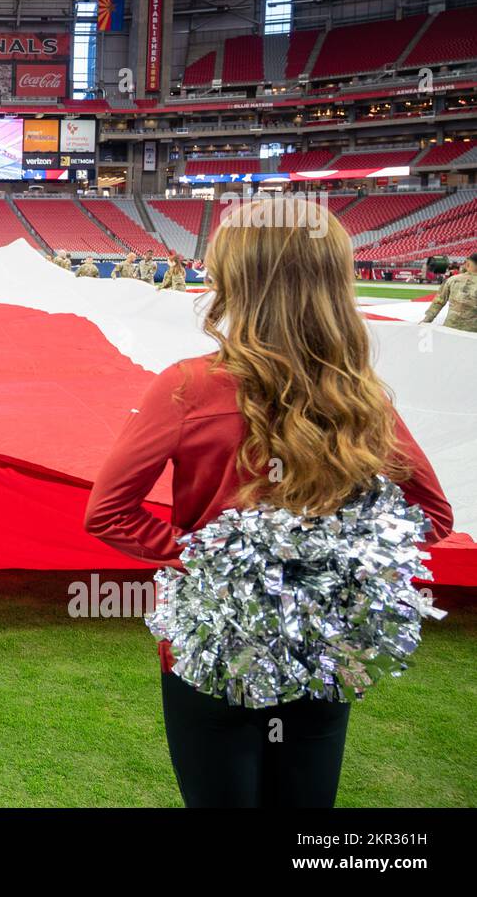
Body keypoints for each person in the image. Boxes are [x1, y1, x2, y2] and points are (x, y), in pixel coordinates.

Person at [83, 200, 453, 808]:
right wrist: (327, 568)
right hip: (324, 647)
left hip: (212, 646)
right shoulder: (361, 397)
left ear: (236, 283)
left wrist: (207, 558)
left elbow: (109, 513)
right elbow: (432, 518)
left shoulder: (188, 386)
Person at [421, 252, 476, 333]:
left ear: (467, 264)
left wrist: (426, 320)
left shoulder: (452, 280)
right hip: (473, 331)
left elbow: (438, 302)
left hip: (451, 328)